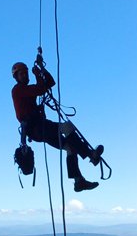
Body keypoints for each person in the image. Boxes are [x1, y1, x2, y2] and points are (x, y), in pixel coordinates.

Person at [11, 60, 104, 192]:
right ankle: (91, 155)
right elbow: (41, 89)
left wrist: (42, 70)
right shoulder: (18, 90)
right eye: (22, 74)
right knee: (66, 127)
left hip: (40, 128)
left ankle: (78, 181)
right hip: (37, 128)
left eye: (26, 73)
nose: (25, 75)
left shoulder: (26, 90)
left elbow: (50, 83)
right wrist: (38, 74)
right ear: (16, 77)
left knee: (70, 148)